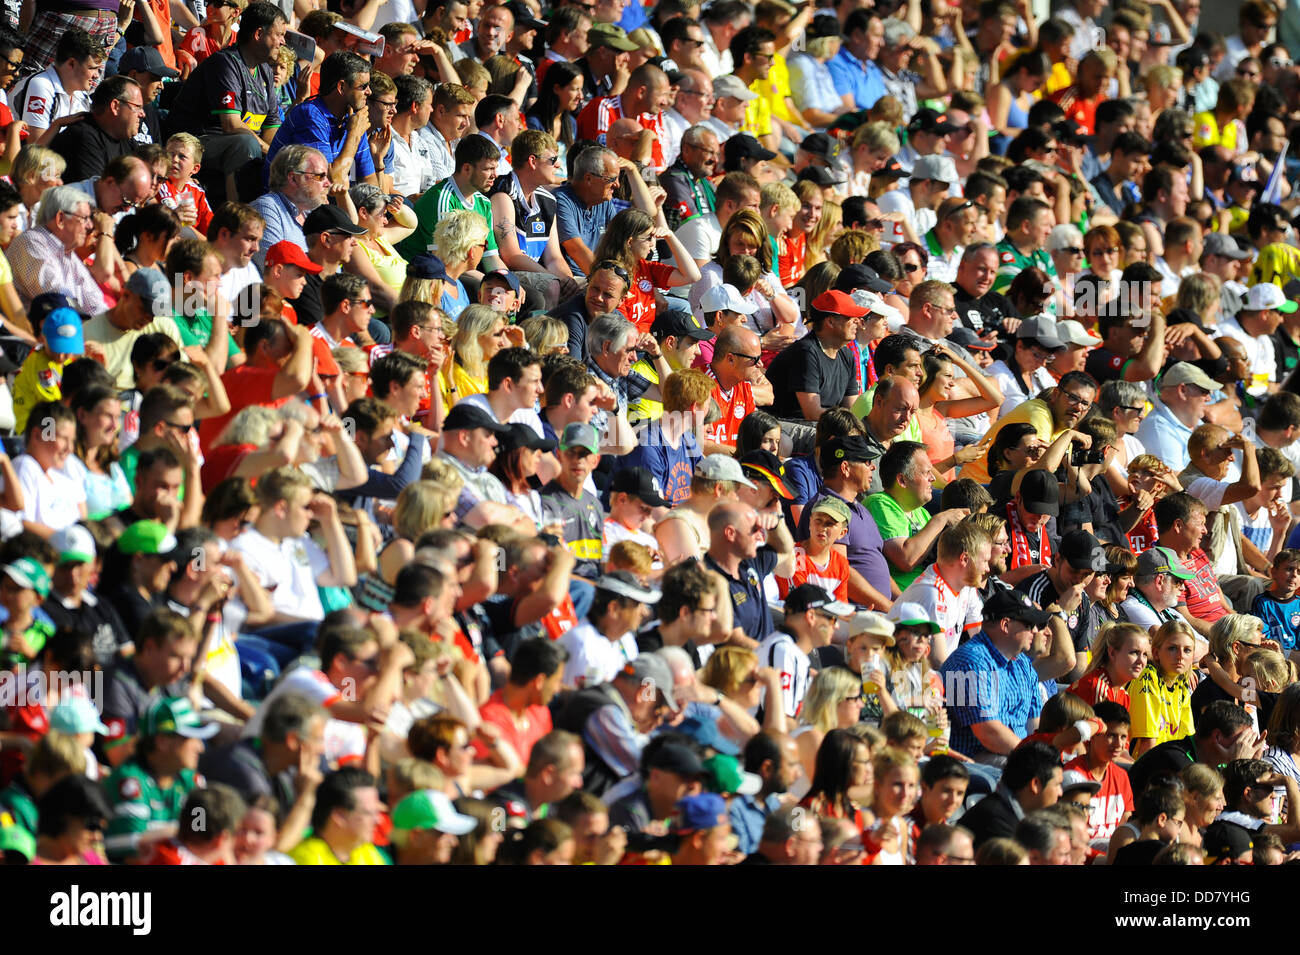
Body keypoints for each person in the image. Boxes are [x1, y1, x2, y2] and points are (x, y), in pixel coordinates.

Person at [167, 2, 289, 201]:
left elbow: (272, 126)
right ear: (258, 34)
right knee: (245, 143)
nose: (283, 42)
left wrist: (283, 153)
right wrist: (272, 152)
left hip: (238, 143)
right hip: (197, 142)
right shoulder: (224, 63)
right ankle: (237, 217)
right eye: (280, 34)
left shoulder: (266, 70)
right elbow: (231, 125)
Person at [956, 740, 1063, 848]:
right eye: (1057, 784)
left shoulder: (1011, 817)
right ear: (1035, 784)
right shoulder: (997, 826)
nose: (1060, 793)